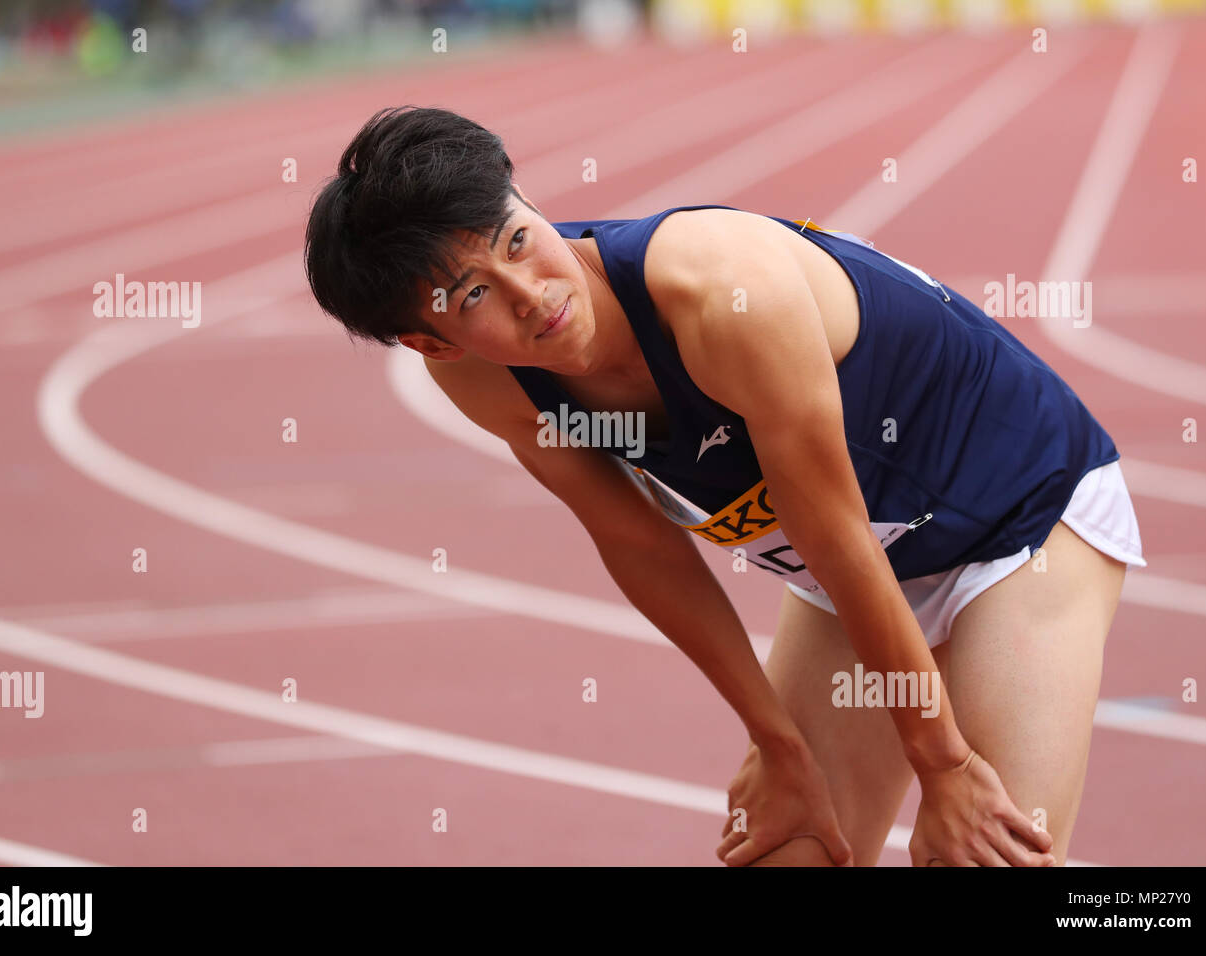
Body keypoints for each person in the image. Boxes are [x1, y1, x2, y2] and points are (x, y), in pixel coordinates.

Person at [304, 105, 1147, 866]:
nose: (535, 296)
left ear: (527, 201)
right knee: (792, 847)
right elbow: (640, 545)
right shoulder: (490, 382)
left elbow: (834, 531)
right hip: (855, 568)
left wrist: (946, 764)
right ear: (436, 344)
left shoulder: (718, 291)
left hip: (1021, 519)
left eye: (518, 239)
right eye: (477, 293)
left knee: (985, 856)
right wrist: (778, 747)